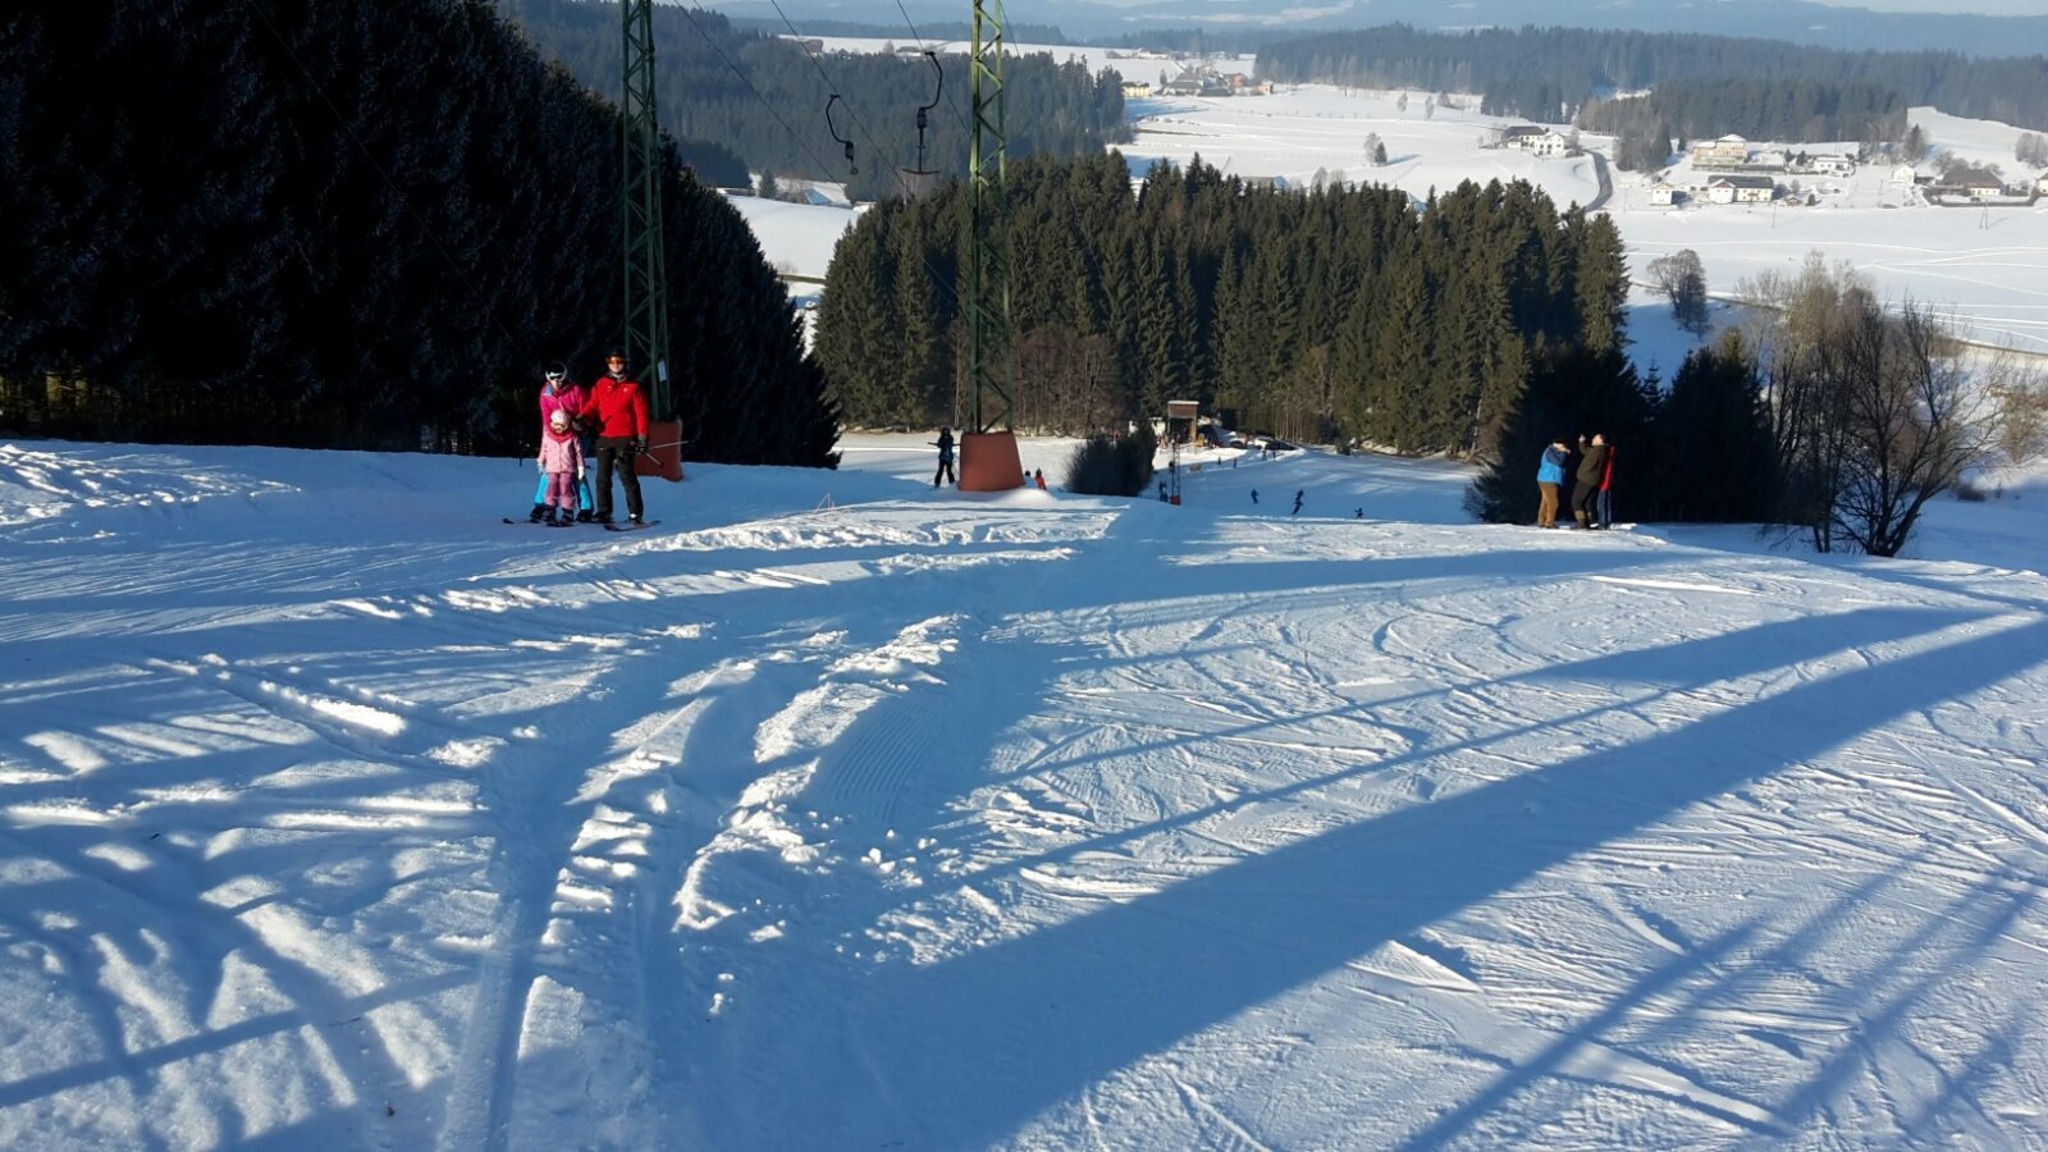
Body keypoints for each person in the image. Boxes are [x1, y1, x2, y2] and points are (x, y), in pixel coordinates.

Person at [588, 348, 649, 525]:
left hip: (625, 437)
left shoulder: (633, 387)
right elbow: (592, 405)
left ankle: (635, 513)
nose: (616, 365)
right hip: (604, 436)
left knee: (626, 476)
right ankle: (604, 511)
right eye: (612, 362)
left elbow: (641, 414)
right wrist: (582, 418)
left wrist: (643, 437)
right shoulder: (601, 384)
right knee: (602, 477)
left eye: (619, 362)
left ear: (625, 363)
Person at [536, 409, 584, 527]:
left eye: (562, 426)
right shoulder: (548, 435)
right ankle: (550, 509)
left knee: (565, 487)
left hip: (567, 467)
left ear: (567, 425)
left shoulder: (572, 437)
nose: (559, 428)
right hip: (552, 467)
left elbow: (578, 452)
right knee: (551, 487)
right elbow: (544, 449)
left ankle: (568, 511)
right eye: (556, 425)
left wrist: (581, 466)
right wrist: (540, 461)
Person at [1573, 433, 1609, 530]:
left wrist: (1581, 473)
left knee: (1576, 501)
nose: (1592, 439)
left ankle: (1582, 523)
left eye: (1595, 438)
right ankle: (1587, 522)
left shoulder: (1597, 451)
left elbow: (1590, 463)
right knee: (1585, 501)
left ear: (1600, 440)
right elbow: (1586, 451)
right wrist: (1582, 442)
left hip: (1586, 479)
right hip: (1591, 479)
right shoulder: (1599, 450)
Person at [1536, 436, 1569, 528]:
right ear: (1559, 444)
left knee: (1545, 502)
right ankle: (1549, 523)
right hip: (1549, 479)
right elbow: (1558, 462)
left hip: (1547, 479)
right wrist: (1563, 452)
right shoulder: (1550, 451)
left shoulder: (1552, 451)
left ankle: (1541, 522)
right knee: (1553, 503)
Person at [1596, 439, 1617, 529]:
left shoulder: (1607, 457)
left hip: (1604, 483)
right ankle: (1606, 523)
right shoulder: (1612, 456)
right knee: (1606, 504)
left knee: (1601, 504)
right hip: (1608, 483)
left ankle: (1603, 523)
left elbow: (1606, 472)